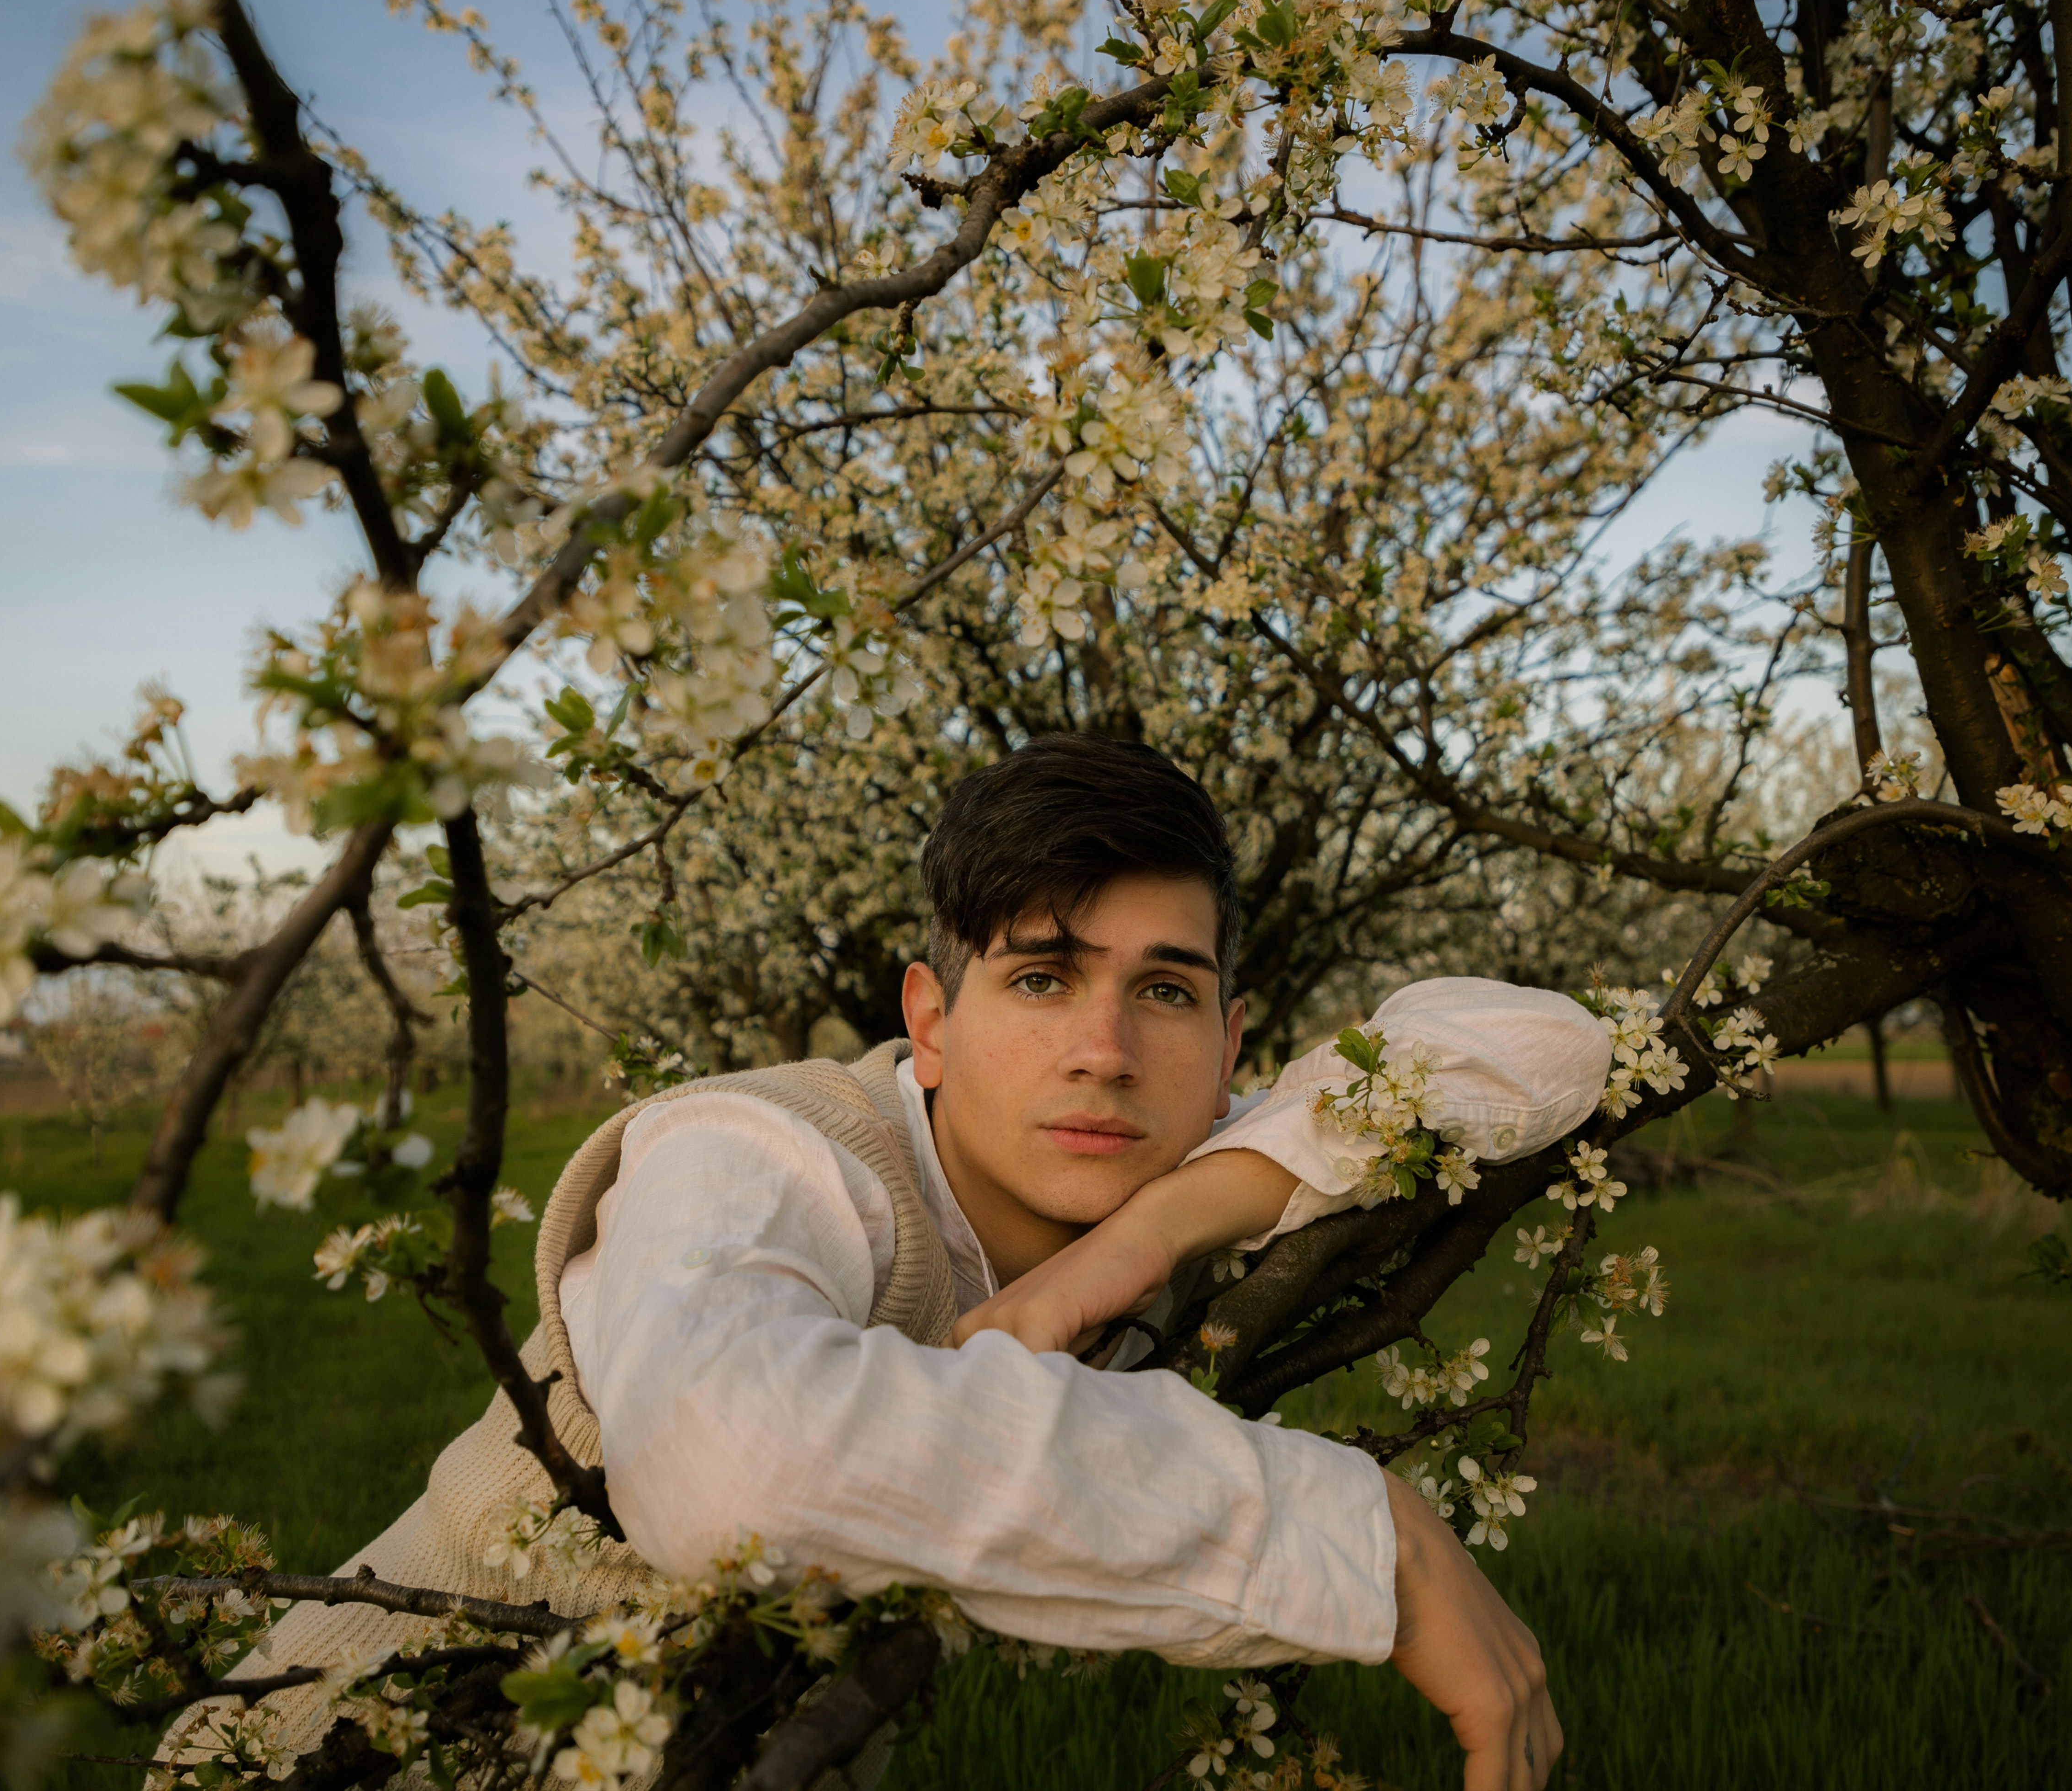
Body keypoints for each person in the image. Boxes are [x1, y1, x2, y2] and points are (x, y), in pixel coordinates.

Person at [207, 734, 1608, 1791]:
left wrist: (1155, 1233)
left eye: (1165, 992)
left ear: (1233, 1046)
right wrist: (1367, 1531)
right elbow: (736, 1462)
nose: (1106, 1052)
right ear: (929, 1024)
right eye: (1044, 977)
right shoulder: (761, 1147)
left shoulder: (1199, 1167)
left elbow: (1553, 1048)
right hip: (349, 1744)